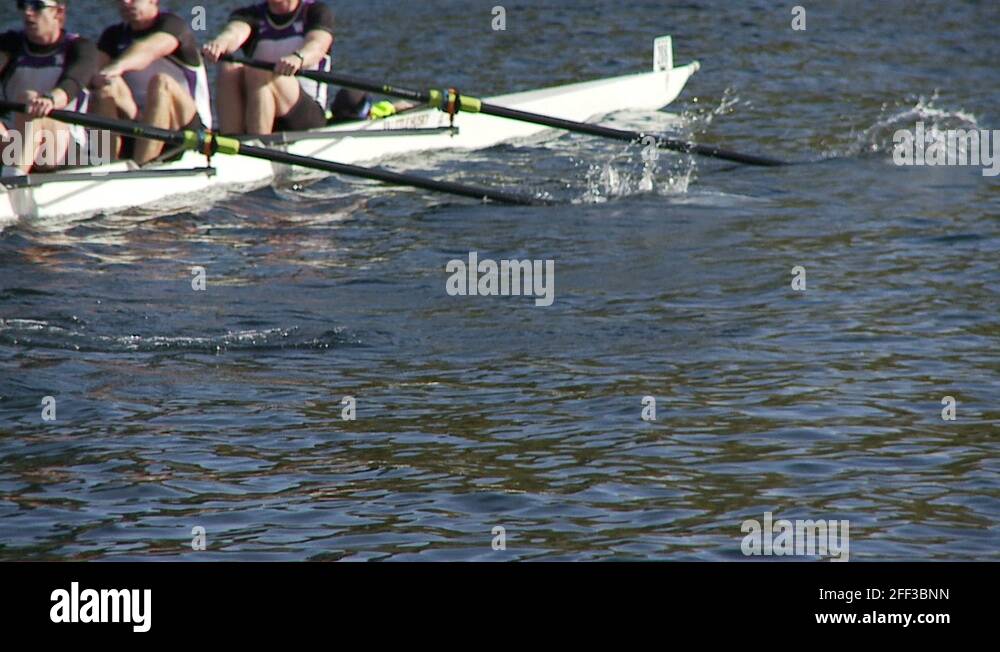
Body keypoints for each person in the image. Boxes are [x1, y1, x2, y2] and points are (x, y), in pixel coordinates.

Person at [91, 0, 212, 164]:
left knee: (161, 83)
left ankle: (143, 165)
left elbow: (147, 51)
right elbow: (93, 76)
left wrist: (118, 66)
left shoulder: (173, 26)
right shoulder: (112, 35)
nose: (126, 2)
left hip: (187, 128)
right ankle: (104, 163)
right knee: (104, 88)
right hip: (138, 123)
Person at [202, 0, 335, 135]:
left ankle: (257, 144)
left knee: (259, 72)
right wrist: (220, 43)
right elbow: (234, 32)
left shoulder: (315, 12)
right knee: (228, 66)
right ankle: (231, 140)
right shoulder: (252, 14)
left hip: (306, 115)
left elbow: (318, 44)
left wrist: (298, 58)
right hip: (259, 107)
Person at [0, 0, 99, 176]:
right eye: (23, 5)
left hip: (63, 145)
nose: (28, 12)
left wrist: (50, 99)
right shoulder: (9, 44)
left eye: (37, 6)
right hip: (14, 140)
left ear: (59, 12)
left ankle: (11, 182)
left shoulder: (81, 48)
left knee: (29, 99)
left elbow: (72, 83)